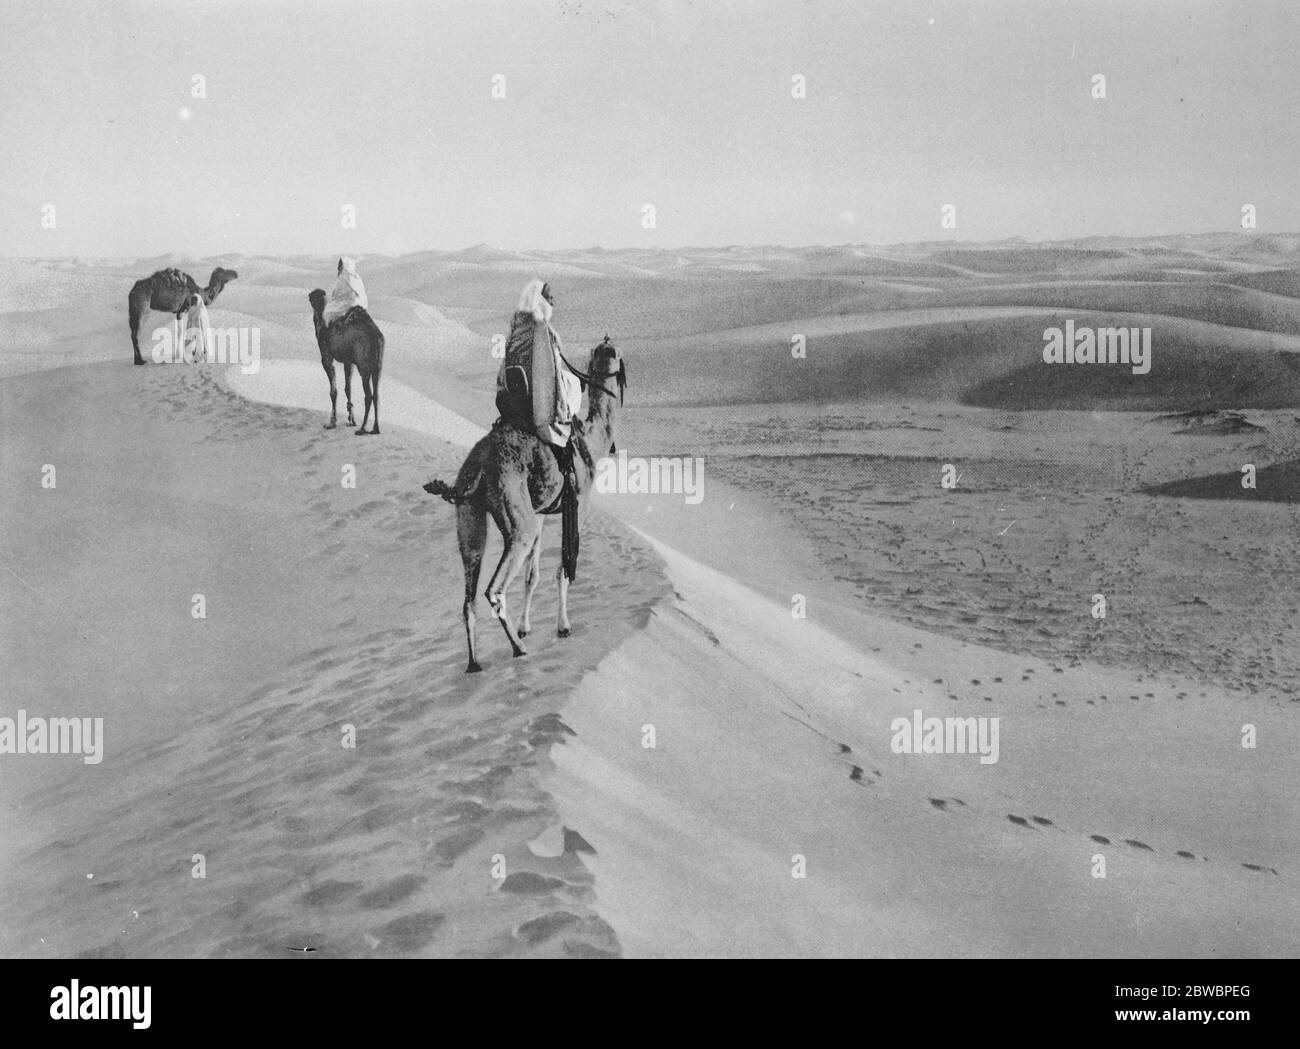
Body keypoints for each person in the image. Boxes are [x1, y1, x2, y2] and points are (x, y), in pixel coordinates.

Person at [497, 279, 583, 453]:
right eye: (549, 298)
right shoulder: (541, 328)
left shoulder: (517, 324)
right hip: (538, 394)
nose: (553, 302)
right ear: (540, 299)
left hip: (515, 390)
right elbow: (549, 373)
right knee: (574, 385)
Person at [322, 256, 368, 326]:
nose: (338, 269)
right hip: (361, 304)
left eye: (340, 267)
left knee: (327, 312)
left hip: (347, 305)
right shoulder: (357, 278)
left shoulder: (342, 278)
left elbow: (335, 294)